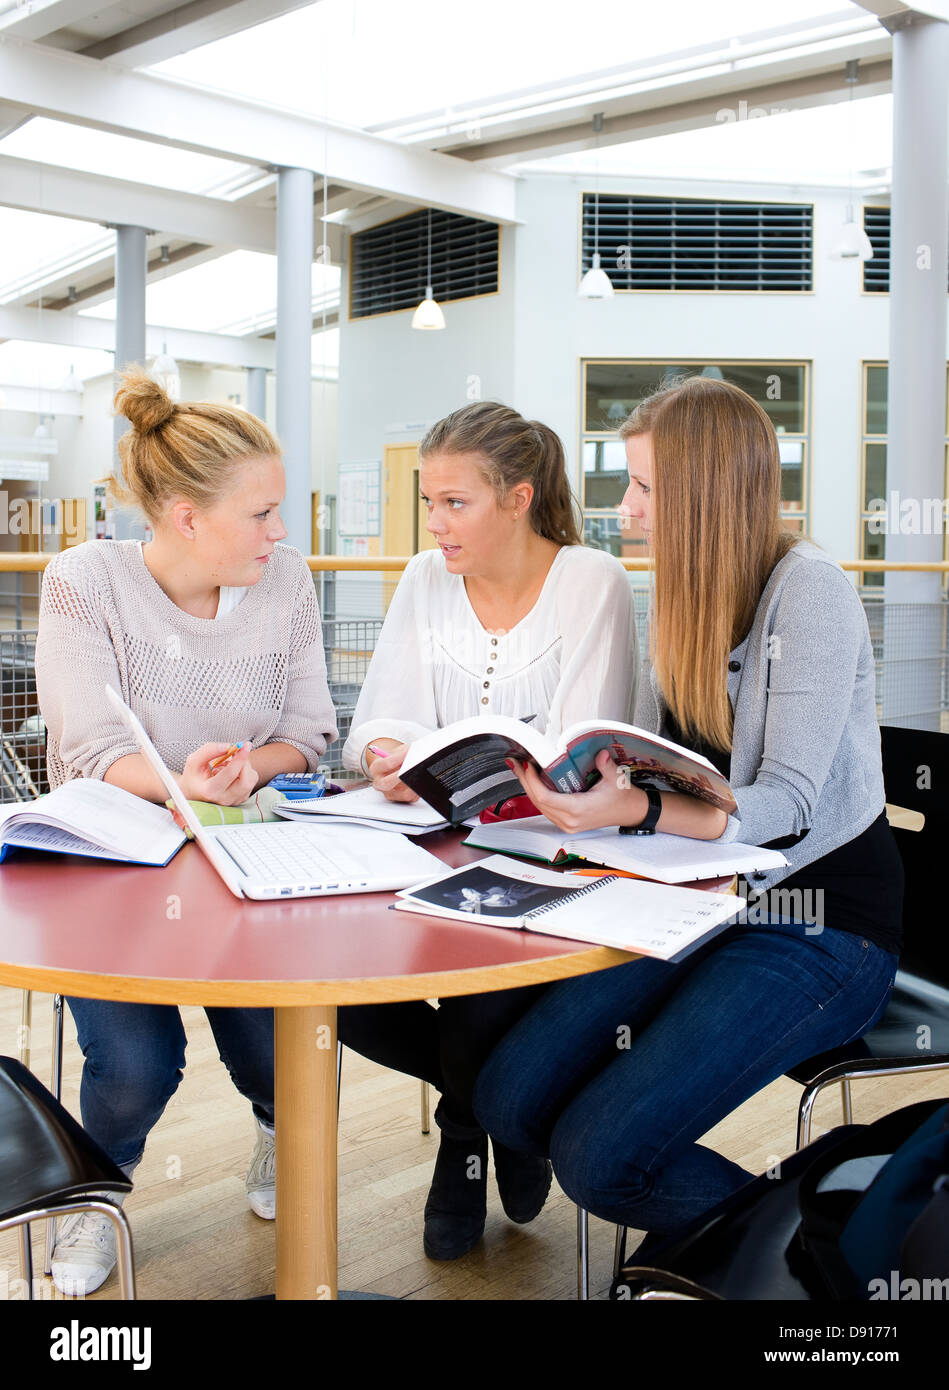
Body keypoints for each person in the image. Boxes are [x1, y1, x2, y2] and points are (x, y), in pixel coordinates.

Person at [473, 375, 901, 1255]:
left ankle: (841, 1262)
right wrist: (601, 775)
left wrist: (633, 808)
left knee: (600, 1162)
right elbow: (689, 766)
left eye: (643, 488)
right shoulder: (686, 590)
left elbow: (784, 804)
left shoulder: (807, 593)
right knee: (507, 1100)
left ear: (705, 495)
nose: (624, 508)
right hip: (705, 896)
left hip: (819, 922)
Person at [34, 370, 337, 1294]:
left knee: (281, 1056)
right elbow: (84, 747)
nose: (280, 534)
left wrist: (253, 768)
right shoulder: (85, 581)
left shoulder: (284, 583)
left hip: (242, 857)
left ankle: (276, 1137)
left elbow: (310, 726)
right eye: (262, 513)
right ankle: (95, 1193)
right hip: (110, 868)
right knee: (134, 1067)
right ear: (182, 515)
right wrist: (177, 792)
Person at [338, 400, 638, 1260]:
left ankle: (464, 1131)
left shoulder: (591, 580)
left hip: (556, 857)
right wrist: (388, 754)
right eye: (426, 502)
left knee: (481, 994)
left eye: (454, 503)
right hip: (419, 847)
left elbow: (583, 745)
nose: (434, 524)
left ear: (518, 498)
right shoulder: (421, 580)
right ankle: (505, 1112)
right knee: (346, 996)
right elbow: (375, 724)